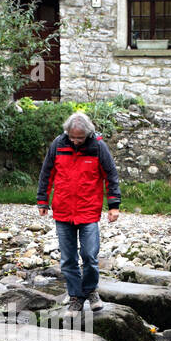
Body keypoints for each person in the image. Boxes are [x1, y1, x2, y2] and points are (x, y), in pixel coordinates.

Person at [36, 111, 121, 312]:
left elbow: (111, 175)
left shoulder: (98, 147)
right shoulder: (58, 144)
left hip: (88, 211)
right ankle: (75, 296)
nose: (75, 142)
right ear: (67, 133)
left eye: (80, 138)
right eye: (72, 137)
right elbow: (46, 173)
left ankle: (91, 291)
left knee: (90, 256)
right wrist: (42, 201)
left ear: (88, 134)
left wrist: (114, 205)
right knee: (68, 259)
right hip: (63, 210)